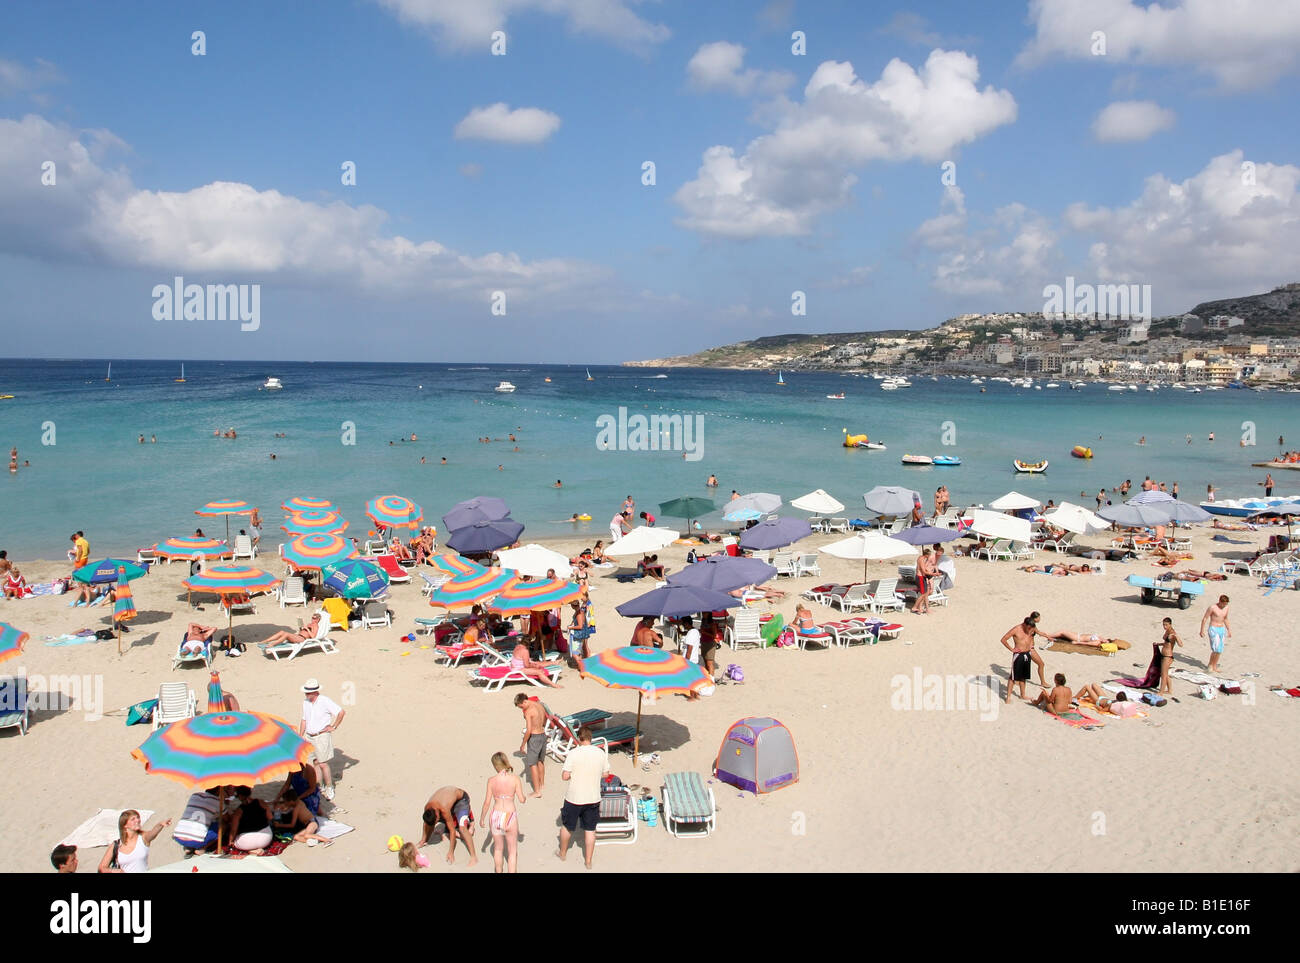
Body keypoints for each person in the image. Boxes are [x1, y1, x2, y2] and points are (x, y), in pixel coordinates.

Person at [557, 726, 609, 869]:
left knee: (567, 826)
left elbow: (565, 776)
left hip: (574, 797)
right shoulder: (600, 753)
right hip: (593, 797)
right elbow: (606, 773)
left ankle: (562, 853)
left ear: (579, 738)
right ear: (590, 738)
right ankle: (588, 861)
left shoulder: (574, 753)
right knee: (590, 830)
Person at [481, 752, 527, 873]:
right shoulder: (515, 779)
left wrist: (482, 818)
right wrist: (523, 797)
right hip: (509, 815)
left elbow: (487, 802)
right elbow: (522, 799)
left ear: (495, 766)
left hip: (496, 815)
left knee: (498, 849)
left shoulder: (491, 780)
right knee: (512, 851)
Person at [299, 678, 344, 801]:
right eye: (306, 692)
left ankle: (329, 786)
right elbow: (304, 720)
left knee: (323, 763)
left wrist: (334, 726)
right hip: (309, 735)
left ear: (315, 692)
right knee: (315, 762)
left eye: (308, 693)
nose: (306, 695)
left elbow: (341, 712)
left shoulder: (325, 701)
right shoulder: (305, 703)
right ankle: (319, 785)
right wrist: (301, 734)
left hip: (321, 736)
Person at [418, 786, 477, 866]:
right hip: (449, 800)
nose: (436, 824)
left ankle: (474, 857)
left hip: (461, 800)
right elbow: (427, 823)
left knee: (462, 828)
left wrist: (451, 852)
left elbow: (452, 831)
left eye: (436, 821)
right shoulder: (427, 807)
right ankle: (460, 816)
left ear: (436, 813)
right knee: (438, 824)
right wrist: (423, 840)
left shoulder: (444, 808)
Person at [98, 810, 171, 873]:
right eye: (133, 819)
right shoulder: (116, 844)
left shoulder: (143, 838)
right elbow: (101, 868)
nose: (138, 820)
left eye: (138, 817)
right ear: (125, 825)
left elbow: (152, 833)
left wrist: (160, 824)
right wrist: (115, 871)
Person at [999, 612, 1048, 702]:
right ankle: (1008, 697)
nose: (1030, 630)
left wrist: (1047, 637)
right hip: (1018, 655)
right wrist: (1011, 649)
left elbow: (1035, 635)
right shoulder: (1016, 629)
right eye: (1028, 628)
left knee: (1024, 676)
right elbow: (1003, 639)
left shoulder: (1031, 628)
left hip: (1027, 653)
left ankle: (1023, 695)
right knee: (1013, 677)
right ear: (1024, 625)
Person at [515, 692, 548, 797]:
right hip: (543, 734)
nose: (522, 709)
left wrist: (523, 744)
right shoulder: (539, 705)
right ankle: (542, 784)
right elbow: (545, 719)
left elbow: (528, 730)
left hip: (534, 737)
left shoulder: (528, 711)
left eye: (521, 707)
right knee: (540, 761)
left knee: (532, 764)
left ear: (524, 701)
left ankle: (537, 791)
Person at [226, 786, 274, 853]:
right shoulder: (261, 802)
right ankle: (256, 850)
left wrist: (230, 842)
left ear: (239, 795)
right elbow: (270, 817)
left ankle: (250, 851)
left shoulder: (238, 811)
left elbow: (233, 831)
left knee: (235, 842)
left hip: (246, 842)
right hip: (266, 839)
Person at [1200, 595, 1231, 674]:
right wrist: (1202, 630)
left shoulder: (1226, 608)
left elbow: (1225, 618)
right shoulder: (1212, 607)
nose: (1224, 605)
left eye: (1226, 604)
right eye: (1223, 604)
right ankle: (1210, 665)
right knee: (1215, 648)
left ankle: (1214, 665)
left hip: (1222, 629)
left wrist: (1229, 630)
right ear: (1220, 601)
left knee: (1220, 650)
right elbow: (1205, 618)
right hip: (1213, 628)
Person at [257, 612, 322, 649]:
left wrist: (307, 629)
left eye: (314, 618)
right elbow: (302, 632)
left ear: (318, 619)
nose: (312, 619)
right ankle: (266, 641)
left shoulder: (315, 626)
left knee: (286, 634)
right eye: (312, 618)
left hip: (302, 639)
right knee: (282, 632)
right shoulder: (309, 624)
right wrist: (301, 628)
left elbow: (313, 637)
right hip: (298, 636)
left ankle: (273, 644)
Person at [911, 547, 937, 614]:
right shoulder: (921, 559)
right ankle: (914, 607)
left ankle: (920, 608)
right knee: (923, 594)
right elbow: (923, 571)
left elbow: (924, 569)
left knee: (925, 593)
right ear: (926, 555)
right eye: (929, 555)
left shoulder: (921, 558)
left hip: (921, 577)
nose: (929, 557)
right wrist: (934, 574)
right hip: (920, 577)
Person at [699, 613, 722, 682]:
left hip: (710, 643)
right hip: (703, 642)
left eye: (705, 612)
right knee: (705, 661)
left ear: (709, 613)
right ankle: (708, 678)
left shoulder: (712, 623)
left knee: (710, 663)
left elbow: (714, 636)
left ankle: (711, 680)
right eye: (702, 612)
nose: (703, 613)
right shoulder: (703, 621)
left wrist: (704, 632)